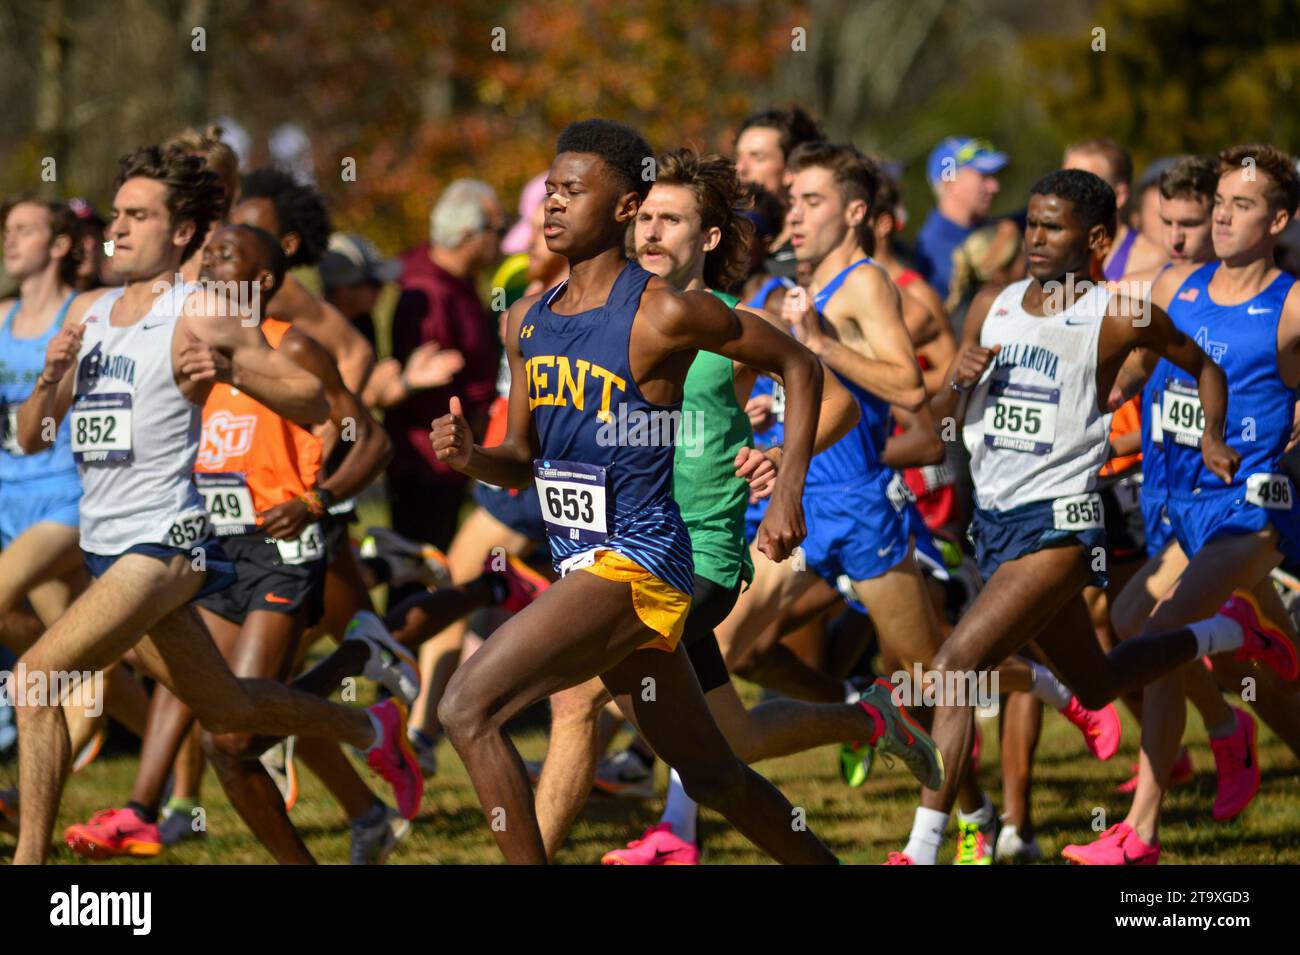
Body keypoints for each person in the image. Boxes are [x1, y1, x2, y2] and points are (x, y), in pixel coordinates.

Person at [431, 118, 859, 865]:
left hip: (641, 562)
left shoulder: (662, 311)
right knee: (715, 773)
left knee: (467, 704)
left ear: (626, 209)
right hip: (583, 564)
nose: (553, 204)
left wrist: (787, 487)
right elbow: (524, 459)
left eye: (574, 190)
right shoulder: (528, 321)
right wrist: (474, 457)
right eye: (550, 189)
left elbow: (801, 365)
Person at [9, 144, 421, 865]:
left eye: (139, 215)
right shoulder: (88, 310)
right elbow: (31, 435)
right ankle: (369, 726)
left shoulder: (200, 309)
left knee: (37, 678)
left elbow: (310, 397)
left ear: (181, 233)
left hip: (165, 543)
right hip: (106, 548)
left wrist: (231, 369)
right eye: (117, 214)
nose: (120, 229)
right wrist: (50, 380)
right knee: (228, 710)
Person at [523, 146, 935, 864]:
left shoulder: (728, 324)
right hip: (621, 552)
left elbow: (830, 392)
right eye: (645, 217)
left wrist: (784, 467)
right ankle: (868, 718)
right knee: (730, 744)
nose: (652, 233)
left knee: (574, 696)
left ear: (708, 239)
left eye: (672, 220)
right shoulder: (619, 318)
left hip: (700, 556)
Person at [912, 166, 1294, 867]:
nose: (1033, 238)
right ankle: (1221, 634)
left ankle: (923, 847)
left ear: (1095, 239)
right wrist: (957, 386)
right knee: (1101, 676)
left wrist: (1214, 434)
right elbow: (943, 423)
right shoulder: (992, 305)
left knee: (954, 665)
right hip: (1010, 520)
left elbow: (1202, 364)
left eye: (1051, 226)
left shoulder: (1122, 310)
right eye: (1029, 223)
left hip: (1080, 520)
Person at [1064, 145, 1300, 864]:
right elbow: (1122, 341)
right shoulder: (1174, 282)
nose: (1224, 218)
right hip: (1181, 507)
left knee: (1160, 633)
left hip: (1253, 506)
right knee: (1139, 620)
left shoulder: (1290, 302)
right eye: (1220, 204)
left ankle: (1142, 828)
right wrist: (1101, 402)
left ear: (1280, 219)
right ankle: (1247, 686)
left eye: (1243, 206)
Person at [385, 180, 506, 553]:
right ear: (469, 235)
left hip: (453, 459)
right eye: (496, 230)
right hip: (427, 464)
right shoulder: (427, 291)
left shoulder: (460, 282)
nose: (501, 241)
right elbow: (430, 391)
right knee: (421, 570)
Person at [733, 107, 826, 280]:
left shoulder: (813, 251)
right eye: (738, 156)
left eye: (757, 157)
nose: (740, 168)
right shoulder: (729, 242)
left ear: (792, 169)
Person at [914, 137, 1009, 300]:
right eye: (984, 176)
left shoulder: (990, 226)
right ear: (950, 182)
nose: (995, 187)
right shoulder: (930, 253)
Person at [1063, 138, 1166, 278]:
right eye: (1064, 183)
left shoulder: (1150, 262)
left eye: (1083, 186)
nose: (1067, 195)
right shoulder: (1053, 253)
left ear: (1119, 196)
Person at [319, 231, 403, 350]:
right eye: (375, 284)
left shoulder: (362, 320)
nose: (381, 291)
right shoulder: (315, 334)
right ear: (343, 291)